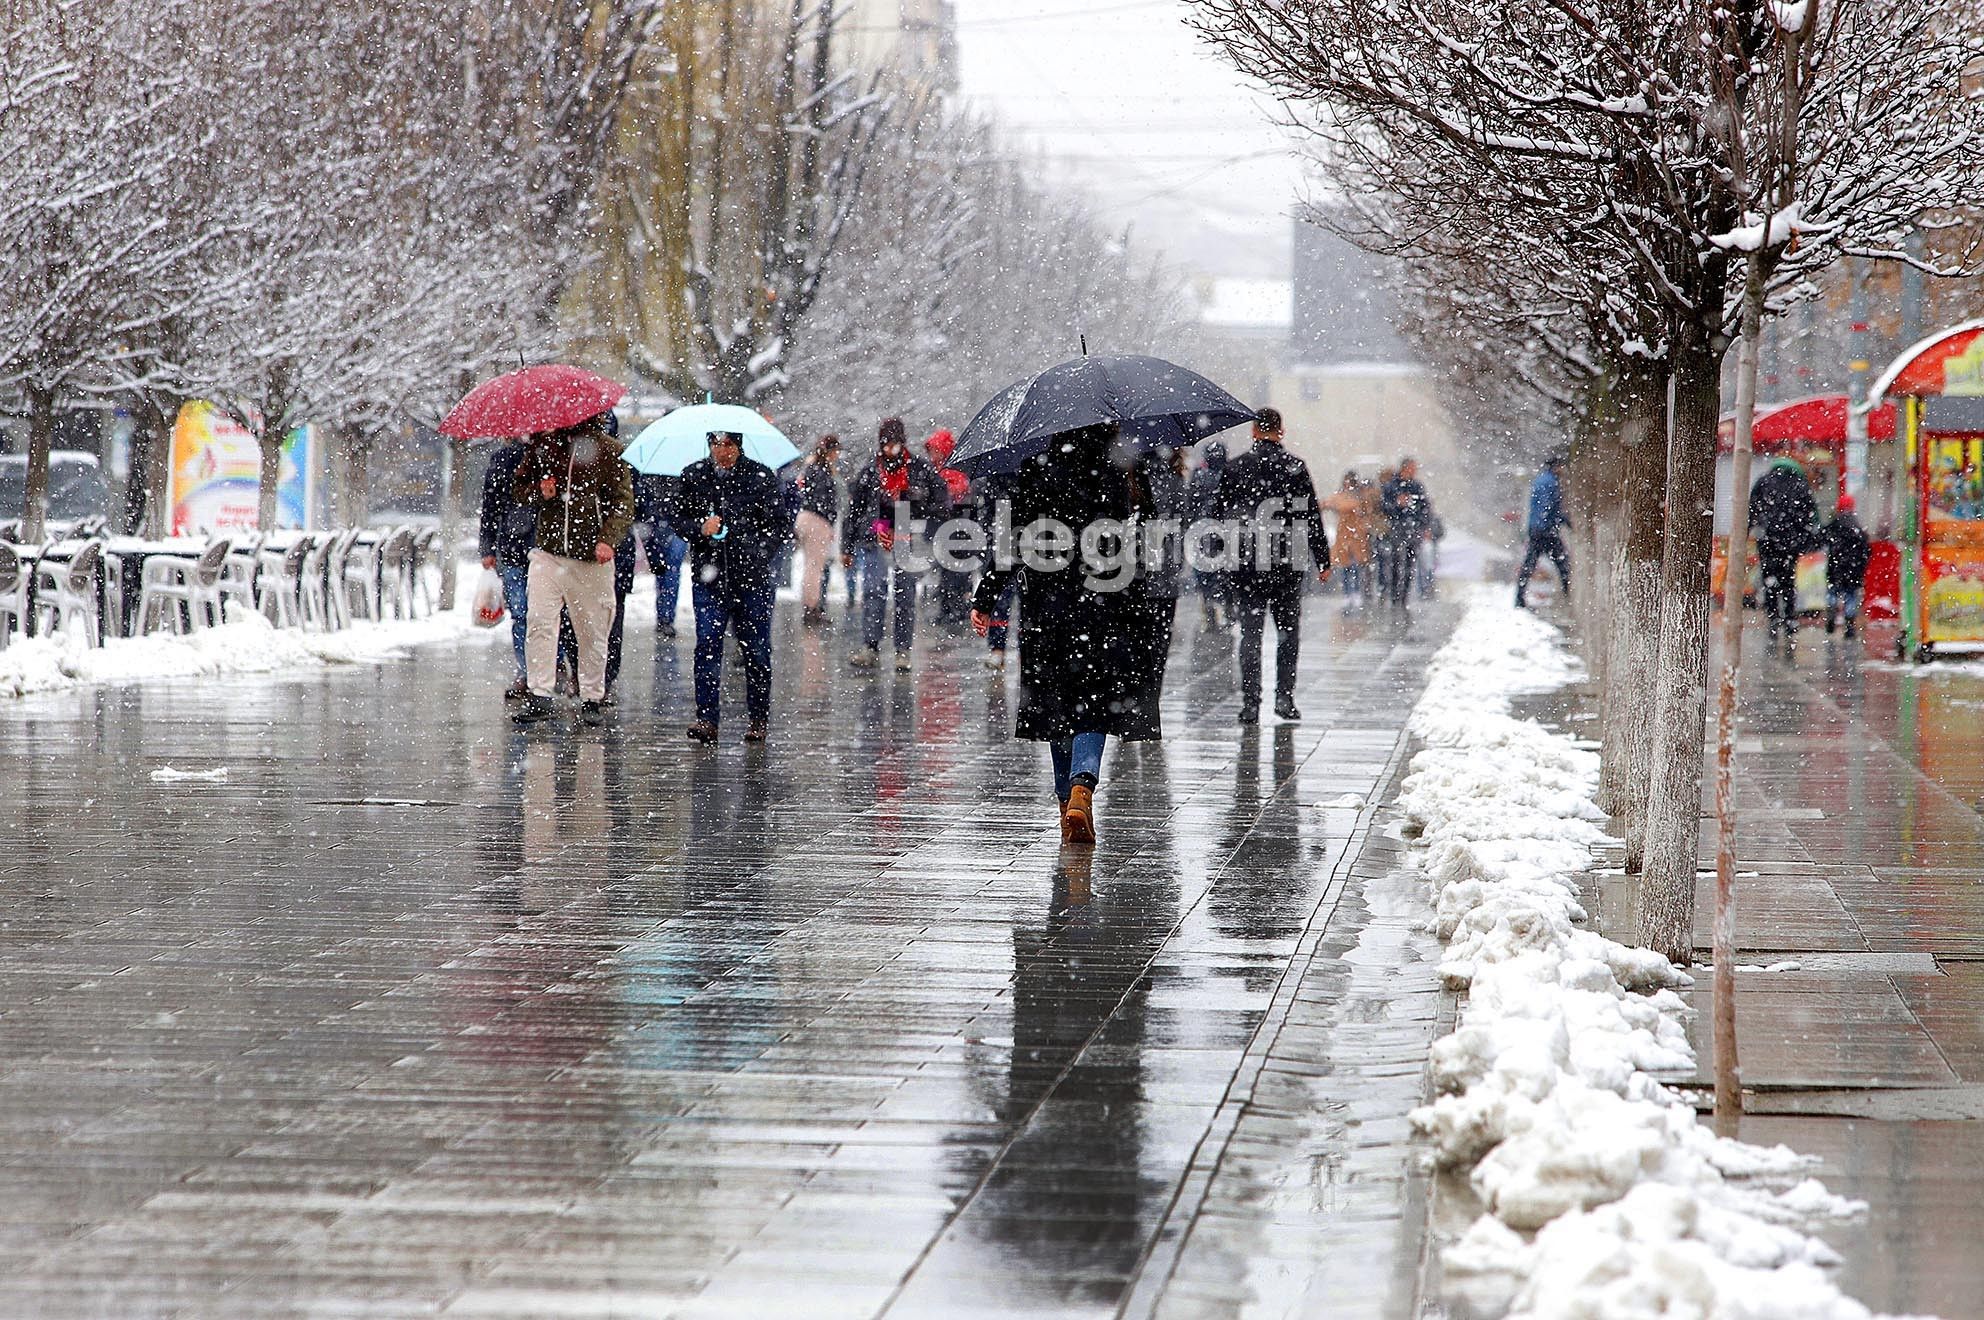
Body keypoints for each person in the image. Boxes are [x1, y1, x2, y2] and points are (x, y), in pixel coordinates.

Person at [971, 422, 1158, 844]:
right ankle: (1081, 787)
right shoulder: (1118, 472)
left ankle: (1064, 805)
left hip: (1046, 608)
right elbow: (1139, 540)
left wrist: (986, 596)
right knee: (1094, 701)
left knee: (1057, 705)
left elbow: (1011, 544)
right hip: (1102, 604)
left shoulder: (1034, 472)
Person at [511, 412, 635, 726]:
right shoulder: (543, 446)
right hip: (549, 553)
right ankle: (539, 692)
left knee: (592, 629)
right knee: (539, 620)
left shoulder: (608, 450)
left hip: (591, 558)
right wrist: (541, 491)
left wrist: (608, 539)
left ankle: (592, 696)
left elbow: (623, 503)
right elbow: (519, 489)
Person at [673, 431, 791, 743]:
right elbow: (676, 516)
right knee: (707, 645)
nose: (721, 451)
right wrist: (700, 528)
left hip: (751, 580)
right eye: (716, 444)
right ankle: (706, 718)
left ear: (738, 446)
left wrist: (758, 552)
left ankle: (758, 718)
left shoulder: (759, 477)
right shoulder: (695, 476)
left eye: (727, 445)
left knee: (756, 650)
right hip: (709, 578)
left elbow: (779, 523)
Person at [1214, 408, 1331, 723]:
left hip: (1247, 563)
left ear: (1254, 431)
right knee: (1288, 634)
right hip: (1286, 563)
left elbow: (1219, 517)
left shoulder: (1235, 468)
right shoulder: (1295, 468)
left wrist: (1219, 556)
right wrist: (1323, 559)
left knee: (1250, 635)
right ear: (1281, 431)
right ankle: (1284, 698)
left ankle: (1251, 703)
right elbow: (1311, 517)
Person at [841, 417, 950, 672]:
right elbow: (855, 510)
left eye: (894, 443)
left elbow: (941, 501)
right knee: (873, 592)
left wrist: (919, 504)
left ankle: (902, 650)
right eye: (886, 444)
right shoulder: (871, 470)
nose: (890, 449)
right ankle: (871, 645)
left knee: (905, 595)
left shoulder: (919, 469)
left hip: (907, 538)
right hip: (876, 536)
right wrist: (847, 546)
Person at [477, 437, 535, 701]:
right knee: (522, 613)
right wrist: (487, 547)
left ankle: (542, 669)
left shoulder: (552, 455)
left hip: (542, 549)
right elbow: (490, 507)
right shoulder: (503, 460)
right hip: (515, 548)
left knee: (541, 614)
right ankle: (527, 671)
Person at [1748, 457, 1818, 637]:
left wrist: (1749, 530)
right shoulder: (1800, 484)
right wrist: (1808, 540)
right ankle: (1789, 618)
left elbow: (1752, 509)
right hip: (1791, 543)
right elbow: (1811, 515)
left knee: (1769, 579)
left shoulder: (1763, 482)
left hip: (1767, 540)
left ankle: (1773, 617)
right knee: (1788, 580)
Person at [925, 429, 974, 629]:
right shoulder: (935, 471)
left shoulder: (953, 470)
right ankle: (949, 609)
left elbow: (958, 494)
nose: (932, 455)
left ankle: (956, 609)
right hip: (945, 531)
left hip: (959, 531)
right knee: (947, 573)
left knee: (956, 573)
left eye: (936, 450)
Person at [792, 435, 841, 626]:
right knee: (815, 568)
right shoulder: (822, 472)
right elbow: (823, 500)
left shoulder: (811, 469)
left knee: (811, 566)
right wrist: (829, 520)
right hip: (817, 520)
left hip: (806, 517)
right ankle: (811, 608)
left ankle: (811, 606)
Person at [1515, 453, 1572, 609]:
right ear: (1556, 467)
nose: (1563, 469)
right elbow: (1547, 507)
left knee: (1529, 565)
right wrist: (1561, 520)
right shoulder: (1550, 482)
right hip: (1545, 531)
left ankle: (1519, 598)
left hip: (1537, 530)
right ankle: (1568, 596)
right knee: (1563, 563)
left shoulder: (1541, 480)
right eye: (1561, 466)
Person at [635, 471, 688, 638]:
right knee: (664, 571)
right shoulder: (651, 477)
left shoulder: (652, 476)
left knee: (670, 572)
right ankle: (665, 615)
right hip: (658, 526)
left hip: (670, 526)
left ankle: (666, 617)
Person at [1185, 441, 1231, 628]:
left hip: (1202, 533)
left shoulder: (1199, 475)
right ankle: (1226, 609)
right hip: (1225, 533)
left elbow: (1190, 504)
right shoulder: (1229, 473)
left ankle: (1210, 608)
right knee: (1225, 574)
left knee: (1205, 574)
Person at [1321, 471, 1376, 611]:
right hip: (1345, 534)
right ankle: (1348, 593)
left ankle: (1355, 592)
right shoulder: (1346, 496)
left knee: (1355, 566)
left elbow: (1355, 507)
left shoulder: (1358, 496)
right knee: (1346, 566)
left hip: (1357, 535)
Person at [1381, 457, 1431, 609]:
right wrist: (1397, 504)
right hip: (1397, 528)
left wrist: (1423, 525)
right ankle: (1395, 595)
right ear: (1404, 468)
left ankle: (1404, 596)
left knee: (1410, 563)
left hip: (1413, 529)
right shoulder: (1391, 486)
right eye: (1412, 468)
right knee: (1396, 562)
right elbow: (1384, 507)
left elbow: (1425, 507)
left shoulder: (1417, 486)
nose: (1414, 471)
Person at [1821, 493, 1871, 639]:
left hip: (1836, 566)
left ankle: (1831, 612)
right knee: (1850, 596)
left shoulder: (1834, 524)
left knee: (1832, 592)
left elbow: (1823, 539)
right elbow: (1866, 549)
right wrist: (1861, 564)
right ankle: (1849, 625)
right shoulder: (1857, 526)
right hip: (1853, 568)